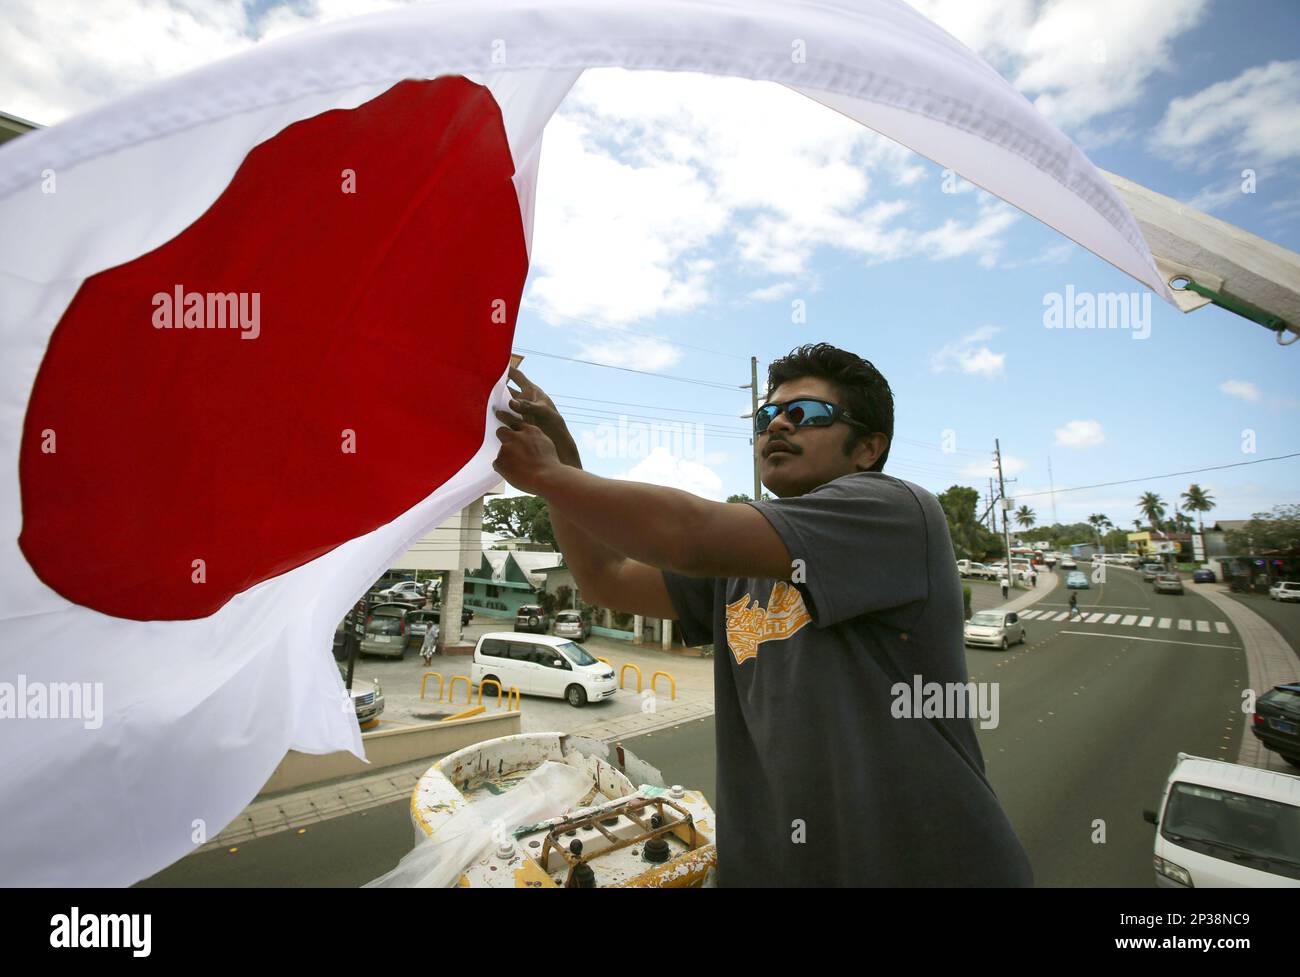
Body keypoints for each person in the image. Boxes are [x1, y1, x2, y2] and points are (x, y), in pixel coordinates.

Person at [493, 345, 1033, 887]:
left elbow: (689, 534)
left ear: (868, 447)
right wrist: (560, 453)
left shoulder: (892, 512)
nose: (776, 422)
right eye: (766, 415)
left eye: (805, 413)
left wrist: (546, 476)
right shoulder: (739, 567)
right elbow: (604, 576)